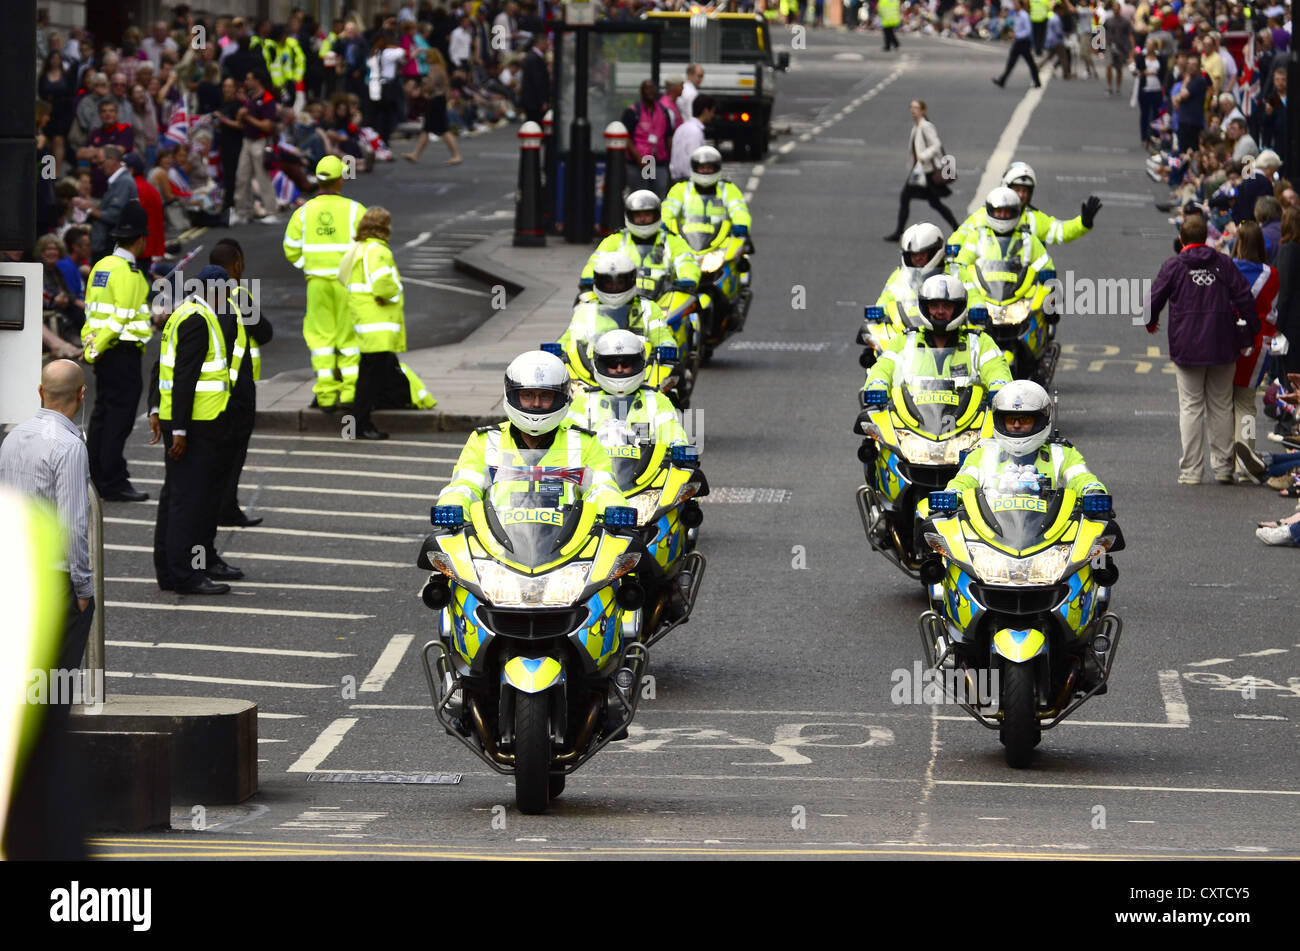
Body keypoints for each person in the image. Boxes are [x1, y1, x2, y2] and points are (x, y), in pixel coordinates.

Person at [435, 350, 629, 517]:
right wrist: (453, 504)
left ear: (561, 397)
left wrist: (613, 507)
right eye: (527, 395)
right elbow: (465, 484)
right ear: (512, 394)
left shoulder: (584, 442)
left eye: (545, 395)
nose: (536, 403)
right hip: (494, 548)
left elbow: (601, 486)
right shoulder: (485, 440)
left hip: (568, 548)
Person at [1145, 215, 1260, 485]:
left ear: (1182, 240)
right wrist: (1252, 330)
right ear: (1206, 238)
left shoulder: (1174, 265)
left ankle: (1191, 471)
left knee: (1191, 407)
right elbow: (1244, 296)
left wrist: (1151, 321)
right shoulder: (1223, 263)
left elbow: (1151, 301)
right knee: (1221, 405)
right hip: (1223, 344)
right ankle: (1223, 468)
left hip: (1187, 347)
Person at [0, 360, 96, 671]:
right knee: (54, 677)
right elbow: (73, 522)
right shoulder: (69, 446)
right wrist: (83, 588)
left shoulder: (13, 437)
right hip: (52, 576)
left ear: (41, 391)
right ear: (82, 394)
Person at [151, 265, 238, 595]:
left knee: (174, 496)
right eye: (226, 291)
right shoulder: (198, 319)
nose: (229, 297)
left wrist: (159, 412)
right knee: (188, 501)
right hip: (195, 424)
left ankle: (168, 571)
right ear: (213, 290)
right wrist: (182, 432)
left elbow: (165, 368)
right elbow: (185, 379)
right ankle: (185, 575)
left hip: (183, 419)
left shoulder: (181, 313)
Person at [282, 154, 367, 411]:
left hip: (317, 284)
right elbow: (368, 247)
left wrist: (309, 266)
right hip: (347, 284)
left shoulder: (303, 212)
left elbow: (291, 248)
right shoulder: (355, 210)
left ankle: (327, 395)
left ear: (317, 180)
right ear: (341, 179)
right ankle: (351, 393)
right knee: (349, 336)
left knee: (321, 339)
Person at [82, 199, 152, 502]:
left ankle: (95, 475)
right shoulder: (128, 271)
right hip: (121, 352)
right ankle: (113, 480)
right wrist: (99, 345)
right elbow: (120, 316)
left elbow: (92, 312)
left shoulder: (103, 265)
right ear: (140, 239)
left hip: (104, 352)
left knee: (102, 415)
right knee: (118, 420)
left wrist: (91, 346)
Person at [945, 380, 1107, 496]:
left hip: (1051, 535)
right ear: (1000, 421)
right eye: (1010, 419)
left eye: (1025, 419)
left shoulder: (1062, 453)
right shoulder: (982, 453)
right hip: (990, 535)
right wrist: (953, 492)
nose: (1016, 425)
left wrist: (1092, 490)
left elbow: (1081, 477)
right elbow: (964, 480)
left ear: (1040, 421)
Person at [862, 273, 1013, 396]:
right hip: (912, 422)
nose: (940, 311)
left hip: (969, 425)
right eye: (934, 305)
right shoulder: (905, 340)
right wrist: (877, 384)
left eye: (947, 306)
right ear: (925, 308)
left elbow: (997, 370)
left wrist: (999, 386)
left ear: (958, 308)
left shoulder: (979, 341)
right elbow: (883, 368)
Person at [209, 239, 272, 528]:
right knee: (234, 453)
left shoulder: (199, 293)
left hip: (212, 388)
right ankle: (227, 508)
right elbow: (265, 331)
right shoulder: (237, 293)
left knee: (217, 452)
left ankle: (219, 505)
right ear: (236, 265)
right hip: (239, 386)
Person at [339, 206, 406, 441]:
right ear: (384, 227)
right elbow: (383, 285)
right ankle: (361, 424)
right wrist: (395, 291)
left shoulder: (359, 248)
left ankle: (361, 421)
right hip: (378, 321)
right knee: (370, 378)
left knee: (369, 373)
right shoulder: (379, 251)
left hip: (364, 319)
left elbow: (342, 277)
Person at [568, 329, 690, 447]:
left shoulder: (656, 399)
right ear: (600, 364)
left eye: (626, 363)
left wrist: (677, 443)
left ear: (638, 363)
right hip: (595, 466)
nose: (619, 369)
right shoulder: (585, 399)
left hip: (645, 467)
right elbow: (569, 435)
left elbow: (670, 428)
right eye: (612, 364)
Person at [1227, 221, 1279, 480]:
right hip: (1259, 344)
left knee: (1223, 401)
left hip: (1227, 340)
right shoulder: (1271, 274)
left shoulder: (1227, 269)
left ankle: (1224, 460)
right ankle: (1245, 463)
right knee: (1246, 402)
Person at [579, 190, 701, 300]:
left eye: (647, 215)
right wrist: (588, 277)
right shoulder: (616, 239)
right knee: (584, 300)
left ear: (657, 215)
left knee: (690, 311)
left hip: (663, 299)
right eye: (638, 216)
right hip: (622, 299)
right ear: (629, 216)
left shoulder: (672, 241)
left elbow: (686, 262)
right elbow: (596, 261)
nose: (642, 219)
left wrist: (687, 278)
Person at [951, 162, 1101, 250]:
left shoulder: (1034, 218)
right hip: (986, 283)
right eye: (1017, 189)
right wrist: (952, 249)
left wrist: (1083, 223)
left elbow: (1060, 231)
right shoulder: (986, 213)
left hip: (1023, 287)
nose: (1021, 195)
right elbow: (962, 233)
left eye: (1024, 191)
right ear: (1006, 187)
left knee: (1051, 299)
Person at [562, 252, 677, 356]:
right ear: (597, 282)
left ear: (631, 280)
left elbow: (662, 336)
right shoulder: (585, 310)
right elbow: (570, 339)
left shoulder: (649, 308)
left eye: (620, 283)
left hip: (641, 372)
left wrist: (667, 345)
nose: (614, 287)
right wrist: (558, 349)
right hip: (593, 372)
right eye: (608, 283)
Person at [884, 100, 959, 240]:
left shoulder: (926, 126)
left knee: (906, 197)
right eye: (911, 107)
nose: (913, 110)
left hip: (928, 171)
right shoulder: (917, 126)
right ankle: (957, 227)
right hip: (921, 171)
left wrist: (923, 156)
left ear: (923, 110)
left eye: (916, 108)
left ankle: (898, 232)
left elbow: (936, 144)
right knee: (934, 203)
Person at [662, 146, 752, 250]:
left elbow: (739, 210)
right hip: (686, 243)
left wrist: (741, 225)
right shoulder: (681, 188)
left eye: (709, 168)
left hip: (720, 244)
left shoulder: (728, 188)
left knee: (740, 261)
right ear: (695, 168)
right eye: (702, 168)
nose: (705, 171)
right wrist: (662, 224)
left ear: (716, 168)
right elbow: (667, 209)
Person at [872, 223, 949, 339]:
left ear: (934, 251)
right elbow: (886, 297)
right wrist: (879, 313)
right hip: (908, 333)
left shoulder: (956, 272)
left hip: (949, 333)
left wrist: (977, 307)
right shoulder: (899, 274)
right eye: (913, 254)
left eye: (922, 253)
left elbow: (972, 295)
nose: (917, 258)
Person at [230, 70, 280, 225]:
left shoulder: (267, 99)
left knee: (262, 177)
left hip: (260, 141)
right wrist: (241, 114)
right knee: (241, 176)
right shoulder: (250, 98)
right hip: (247, 140)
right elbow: (241, 119)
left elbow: (267, 125)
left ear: (258, 81)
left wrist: (248, 117)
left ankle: (271, 211)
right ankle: (242, 212)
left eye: (249, 79)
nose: (246, 82)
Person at [402, 47, 461, 165]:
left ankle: (456, 155)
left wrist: (420, 88)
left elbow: (431, 85)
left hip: (436, 100)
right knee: (428, 128)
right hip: (439, 99)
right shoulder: (441, 68)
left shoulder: (435, 69)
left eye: (428, 57)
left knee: (442, 129)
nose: (426, 59)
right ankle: (416, 154)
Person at [83, 145, 139, 260]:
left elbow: (113, 215)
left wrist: (88, 209)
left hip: (110, 246)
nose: (99, 167)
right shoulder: (119, 181)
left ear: (113, 160)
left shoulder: (123, 182)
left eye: (101, 163)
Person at [623, 79, 673, 200]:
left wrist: (671, 161)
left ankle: (657, 219)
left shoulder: (663, 111)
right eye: (647, 88)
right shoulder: (633, 112)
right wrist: (638, 158)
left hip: (658, 162)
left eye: (652, 88)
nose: (650, 91)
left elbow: (668, 137)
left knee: (658, 195)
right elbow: (626, 137)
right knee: (640, 196)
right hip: (640, 162)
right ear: (641, 92)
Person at [993, 0, 1043, 90]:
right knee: (1012, 62)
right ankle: (1002, 80)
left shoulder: (1024, 16)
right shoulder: (1017, 15)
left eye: (1016, 4)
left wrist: (1017, 35)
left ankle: (1037, 81)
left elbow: (1028, 31)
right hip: (1019, 42)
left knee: (1028, 63)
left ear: (1020, 5)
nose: (1014, 5)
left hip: (1023, 42)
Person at [669, 95, 714, 186]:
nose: (712, 115)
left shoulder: (682, 128)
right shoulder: (695, 132)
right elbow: (693, 158)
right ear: (706, 111)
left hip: (676, 180)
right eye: (712, 111)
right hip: (689, 182)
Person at [519, 34, 548, 124]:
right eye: (547, 43)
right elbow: (537, 81)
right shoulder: (534, 58)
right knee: (535, 125)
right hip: (534, 101)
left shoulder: (531, 56)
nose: (548, 46)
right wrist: (542, 101)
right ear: (541, 44)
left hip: (531, 99)